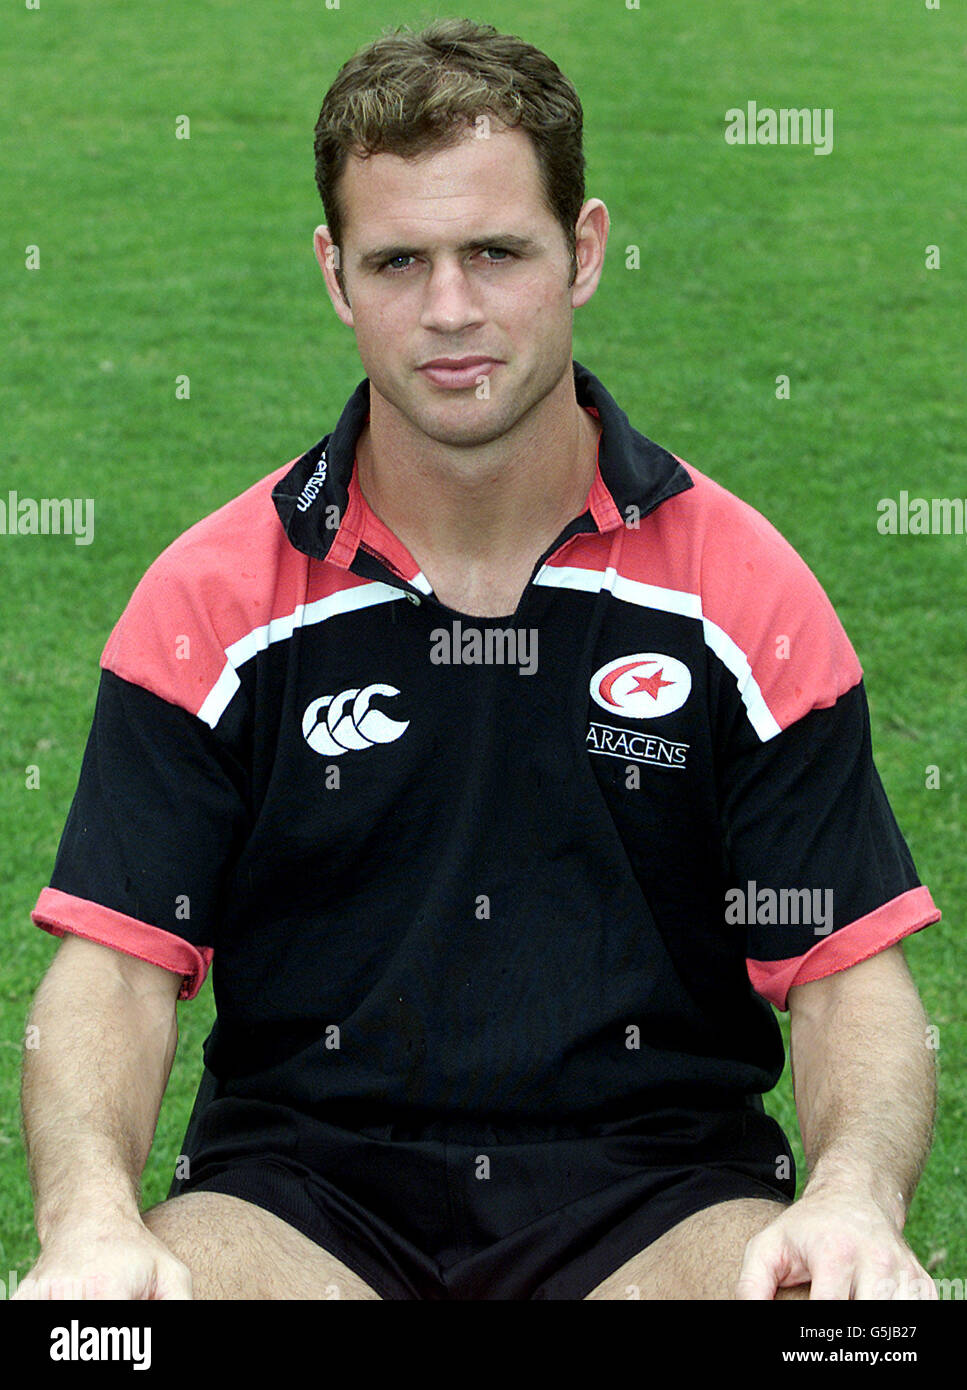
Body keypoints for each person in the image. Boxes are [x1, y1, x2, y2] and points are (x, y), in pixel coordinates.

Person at [16, 18, 941, 1302]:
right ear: (336, 276)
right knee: (97, 1337)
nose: (450, 310)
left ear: (585, 250)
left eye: (495, 252)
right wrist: (90, 1220)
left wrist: (848, 1197)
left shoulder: (744, 591)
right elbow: (115, 967)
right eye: (400, 260)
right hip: (300, 1205)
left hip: (657, 1202)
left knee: (845, 1331)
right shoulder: (210, 600)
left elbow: (847, 972)